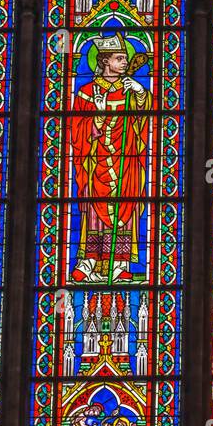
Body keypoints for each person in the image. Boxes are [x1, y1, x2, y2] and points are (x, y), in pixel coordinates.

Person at [69, 34, 150, 282]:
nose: (124, 62)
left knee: (125, 209)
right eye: (119, 58)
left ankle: (119, 263)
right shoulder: (86, 92)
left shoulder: (132, 89)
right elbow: (76, 128)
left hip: (127, 161)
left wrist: (139, 95)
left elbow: (144, 122)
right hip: (96, 161)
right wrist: (98, 116)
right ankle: (90, 261)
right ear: (105, 61)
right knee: (95, 209)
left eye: (125, 58)